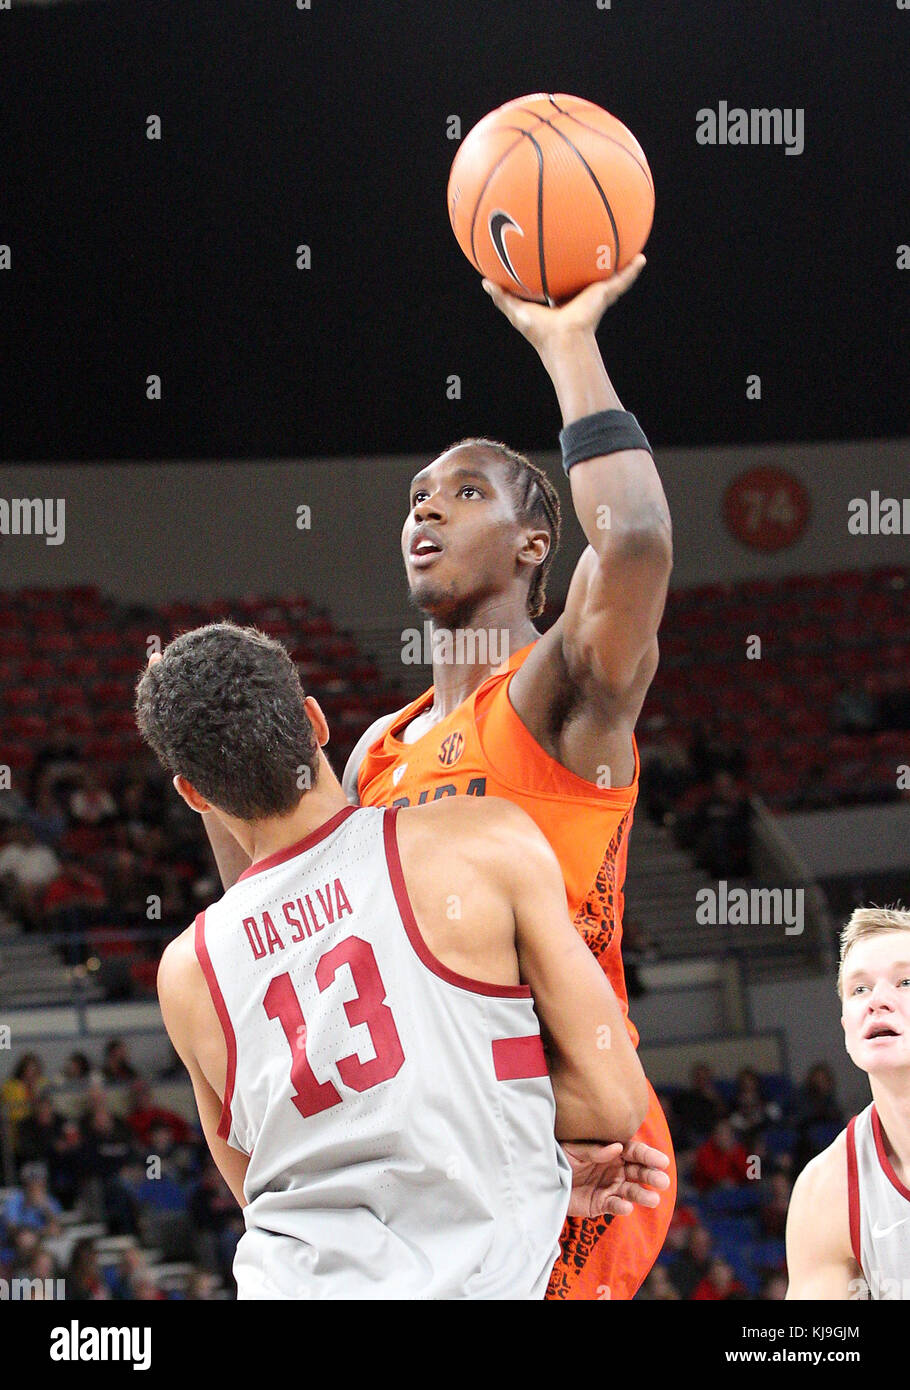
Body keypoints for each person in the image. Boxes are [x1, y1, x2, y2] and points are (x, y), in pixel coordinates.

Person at [205, 256, 676, 1300]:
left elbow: (636, 538)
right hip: (437, 1129)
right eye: (418, 496)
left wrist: (566, 343)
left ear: (533, 542)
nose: (425, 511)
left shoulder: (555, 694)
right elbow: (268, 898)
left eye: (465, 493)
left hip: (582, 1118)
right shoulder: (374, 748)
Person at [137, 623, 670, 1300]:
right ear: (316, 720)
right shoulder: (476, 840)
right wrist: (503, 1149)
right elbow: (613, 1099)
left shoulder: (186, 972)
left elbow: (265, 1184)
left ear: (193, 794)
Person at [786, 906, 910, 1299]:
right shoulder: (827, 1189)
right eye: (860, 989)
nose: (878, 1000)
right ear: (846, 1026)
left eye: (905, 981)